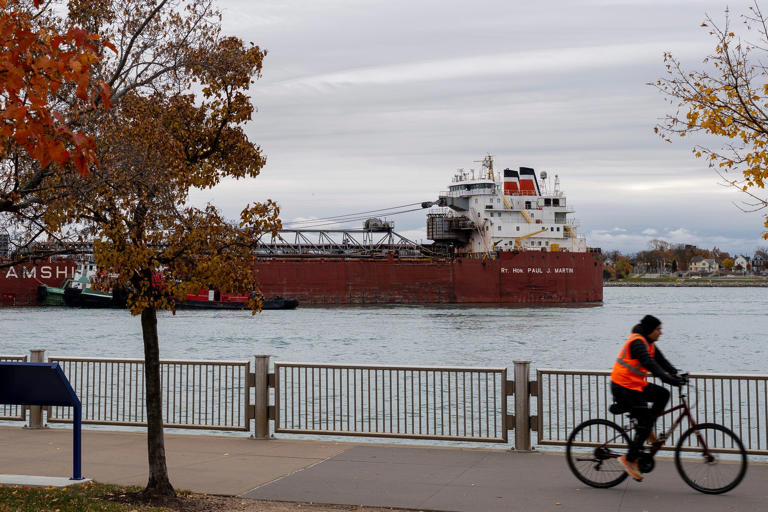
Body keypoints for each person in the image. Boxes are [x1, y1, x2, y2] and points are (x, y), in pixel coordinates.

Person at [610, 315, 685, 481]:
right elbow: (651, 365)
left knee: (663, 394)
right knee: (645, 421)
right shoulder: (637, 343)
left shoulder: (648, 342)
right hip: (623, 387)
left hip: (634, 384)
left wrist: (675, 372)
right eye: (658, 329)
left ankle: (648, 426)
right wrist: (670, 380)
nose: (661, 333)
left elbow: (661, 361)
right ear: (650, 330)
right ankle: (629, 459)